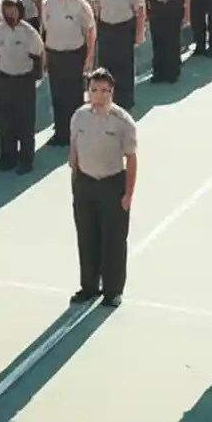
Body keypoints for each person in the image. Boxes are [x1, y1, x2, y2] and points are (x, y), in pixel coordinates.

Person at [69, 68, 137, 308]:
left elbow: (131, 159)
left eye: (104, 91)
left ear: (112, 92)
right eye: (94, 90)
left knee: (114, 239)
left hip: (111, 183)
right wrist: (75, 182)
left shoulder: (123, 122)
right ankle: (89, 286)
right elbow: (74, 149)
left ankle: (113, 290)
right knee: (86, 236)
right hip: (85, 183)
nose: (99, 95)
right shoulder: (79, 116)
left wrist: (128, 194)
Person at [0, 0, 44, 174]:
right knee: (6, 120)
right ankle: (8, 157)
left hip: (24, 80)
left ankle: (26, 159)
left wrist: (38, 74)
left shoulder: (28, 32)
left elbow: (39, 53)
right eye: (6, 10)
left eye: (13, 9)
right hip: (5, 79)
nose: (9, 13)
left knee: (25, 121)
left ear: (20, 11)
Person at [43, 0, 96, 147]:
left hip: (74, 55)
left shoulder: (80, 5)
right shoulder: (49, 4)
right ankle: (60, 133)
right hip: (55, 55)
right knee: (57, 96)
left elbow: (90, 31)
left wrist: (89, 56)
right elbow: (45, 30)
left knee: (74, 96)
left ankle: (76, 134)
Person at [91, 0, 146, 111]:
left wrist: (139, 33)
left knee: (125, 66)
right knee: (106, 67)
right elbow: (95, 8)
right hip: (106, 28)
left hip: (124, 27)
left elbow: (140, 9)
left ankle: (126, 101)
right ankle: (106, 100)